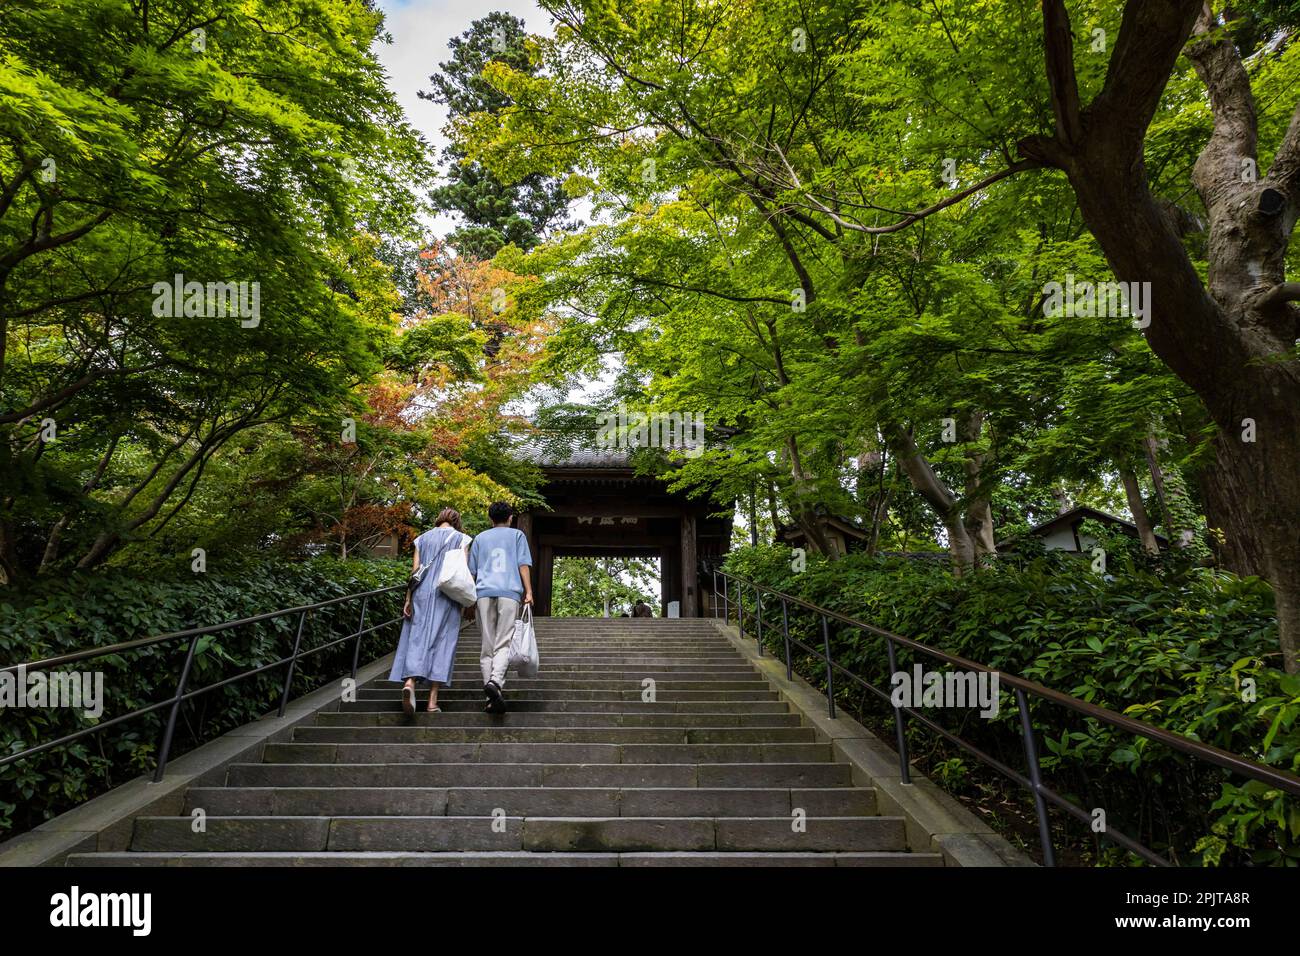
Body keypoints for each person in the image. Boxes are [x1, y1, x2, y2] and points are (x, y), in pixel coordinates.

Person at [390, 509, 471, 717]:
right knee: (444, 643)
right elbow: (463, 572)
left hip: (422, 594)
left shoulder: (422, 539)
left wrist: (408, 598)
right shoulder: (462, 539)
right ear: (456, 521)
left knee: (417, 638)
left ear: (439, 519)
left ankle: (410, 682)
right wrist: (465, 603)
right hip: (448, 595)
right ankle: (432, 702)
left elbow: (415, 571)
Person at [468, 501, 533, 714]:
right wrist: (529, 591)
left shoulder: (480, 538)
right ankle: (495, 682)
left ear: (490, 519)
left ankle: (490, 699)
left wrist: (468, 600)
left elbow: (472, 571)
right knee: (504, 642)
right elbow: (522, 565)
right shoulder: (517, 536)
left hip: (483, 593)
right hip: (509, 592)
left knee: (487, 646)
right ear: (510, 518)